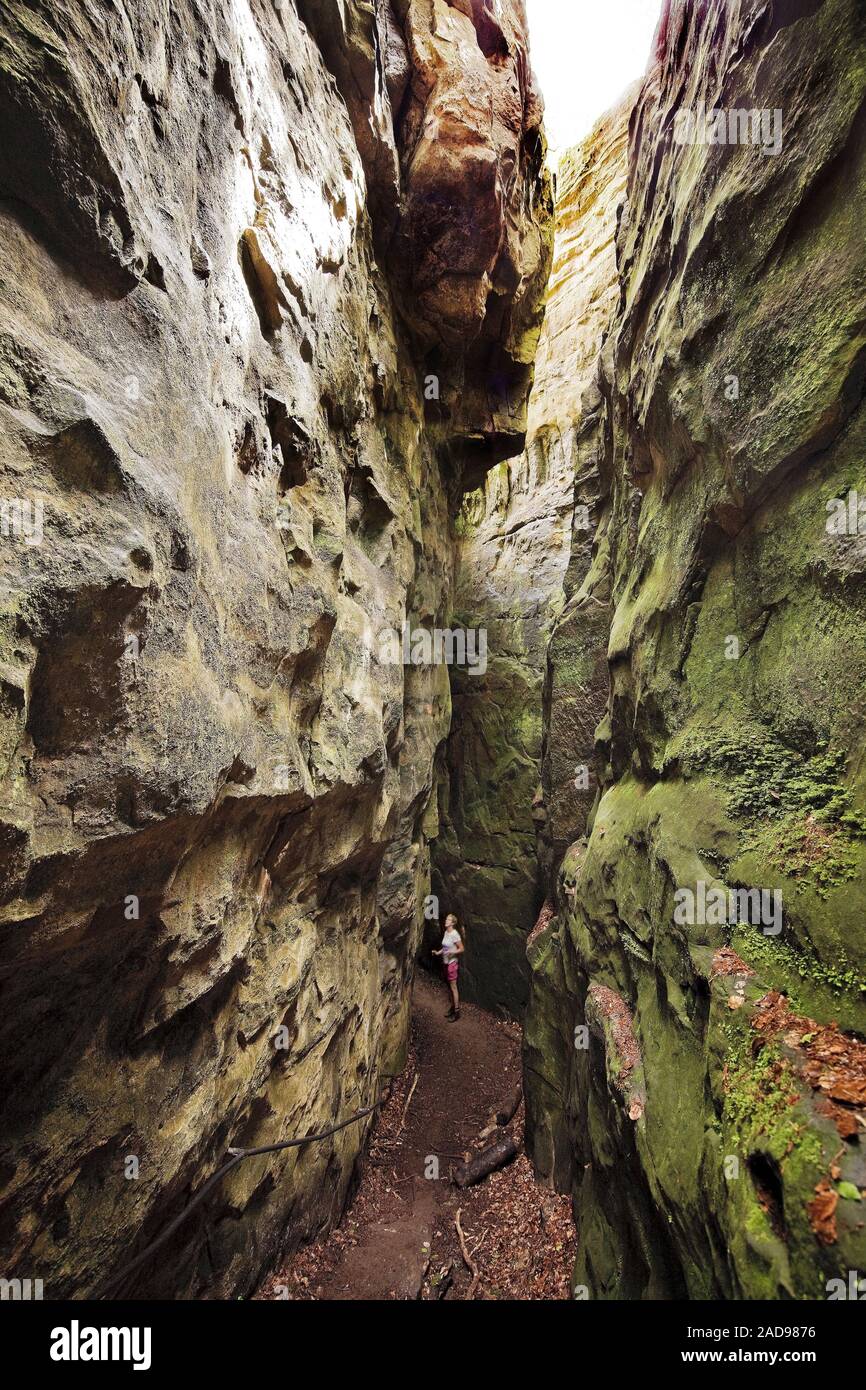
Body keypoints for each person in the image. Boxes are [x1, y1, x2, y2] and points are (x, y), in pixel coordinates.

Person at [432, 913, 464, 1021]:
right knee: (449, 987)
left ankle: (457, 1011)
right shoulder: (446, 932)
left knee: (453, 987)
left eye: (448, 920)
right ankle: (452, 1007)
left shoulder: (455, 934)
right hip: (445, 963)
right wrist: (438, 952)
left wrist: (452, 951)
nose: (446, 921)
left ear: (453, 923)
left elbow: (461, 948)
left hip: (452, 964)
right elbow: (445, 947)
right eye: (446, 919)